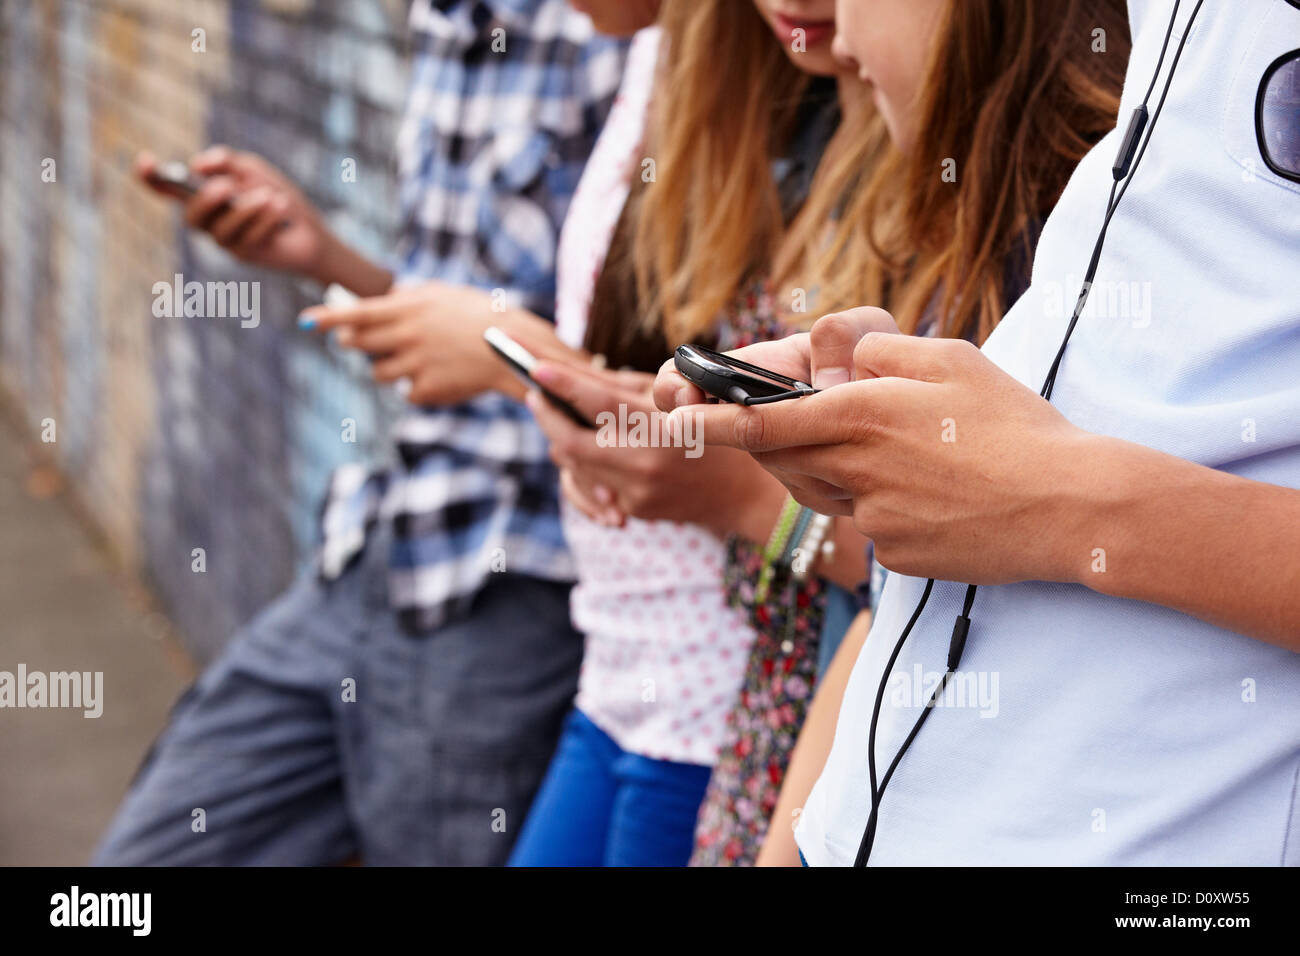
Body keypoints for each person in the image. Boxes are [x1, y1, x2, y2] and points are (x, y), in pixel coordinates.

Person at [657, 0, 1300, 865]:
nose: (835, 38)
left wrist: (1054, 499)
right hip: (865, 815)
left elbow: (1023, 495)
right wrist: (896, 436)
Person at [93, 0, 637, 866]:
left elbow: (681, 386)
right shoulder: (448, 23)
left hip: (519, 582)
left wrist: (509, 351)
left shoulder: (631, 34)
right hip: (381, 537)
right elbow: (450, 310)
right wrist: (319, 252)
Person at [503, 0, 875, 866]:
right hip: (631, 684)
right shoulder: (692, 73)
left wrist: (748, 499)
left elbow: (917, 563)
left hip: (735, 715)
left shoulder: (833, 110)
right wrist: (615, 421)